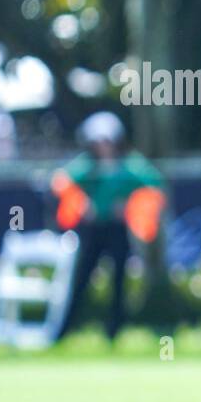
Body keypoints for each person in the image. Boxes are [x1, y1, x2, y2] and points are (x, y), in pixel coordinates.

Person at [54, 111, 164, 341]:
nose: (103, 146)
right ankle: (65, 330)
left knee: (118, 280)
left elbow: (154, 184)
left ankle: (113, 331)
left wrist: (130, 204)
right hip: (93, 231)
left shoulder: (129, 164)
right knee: (81, 278)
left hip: (117, 229)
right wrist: (81, 202)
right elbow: (61, 181)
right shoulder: (87, 165)